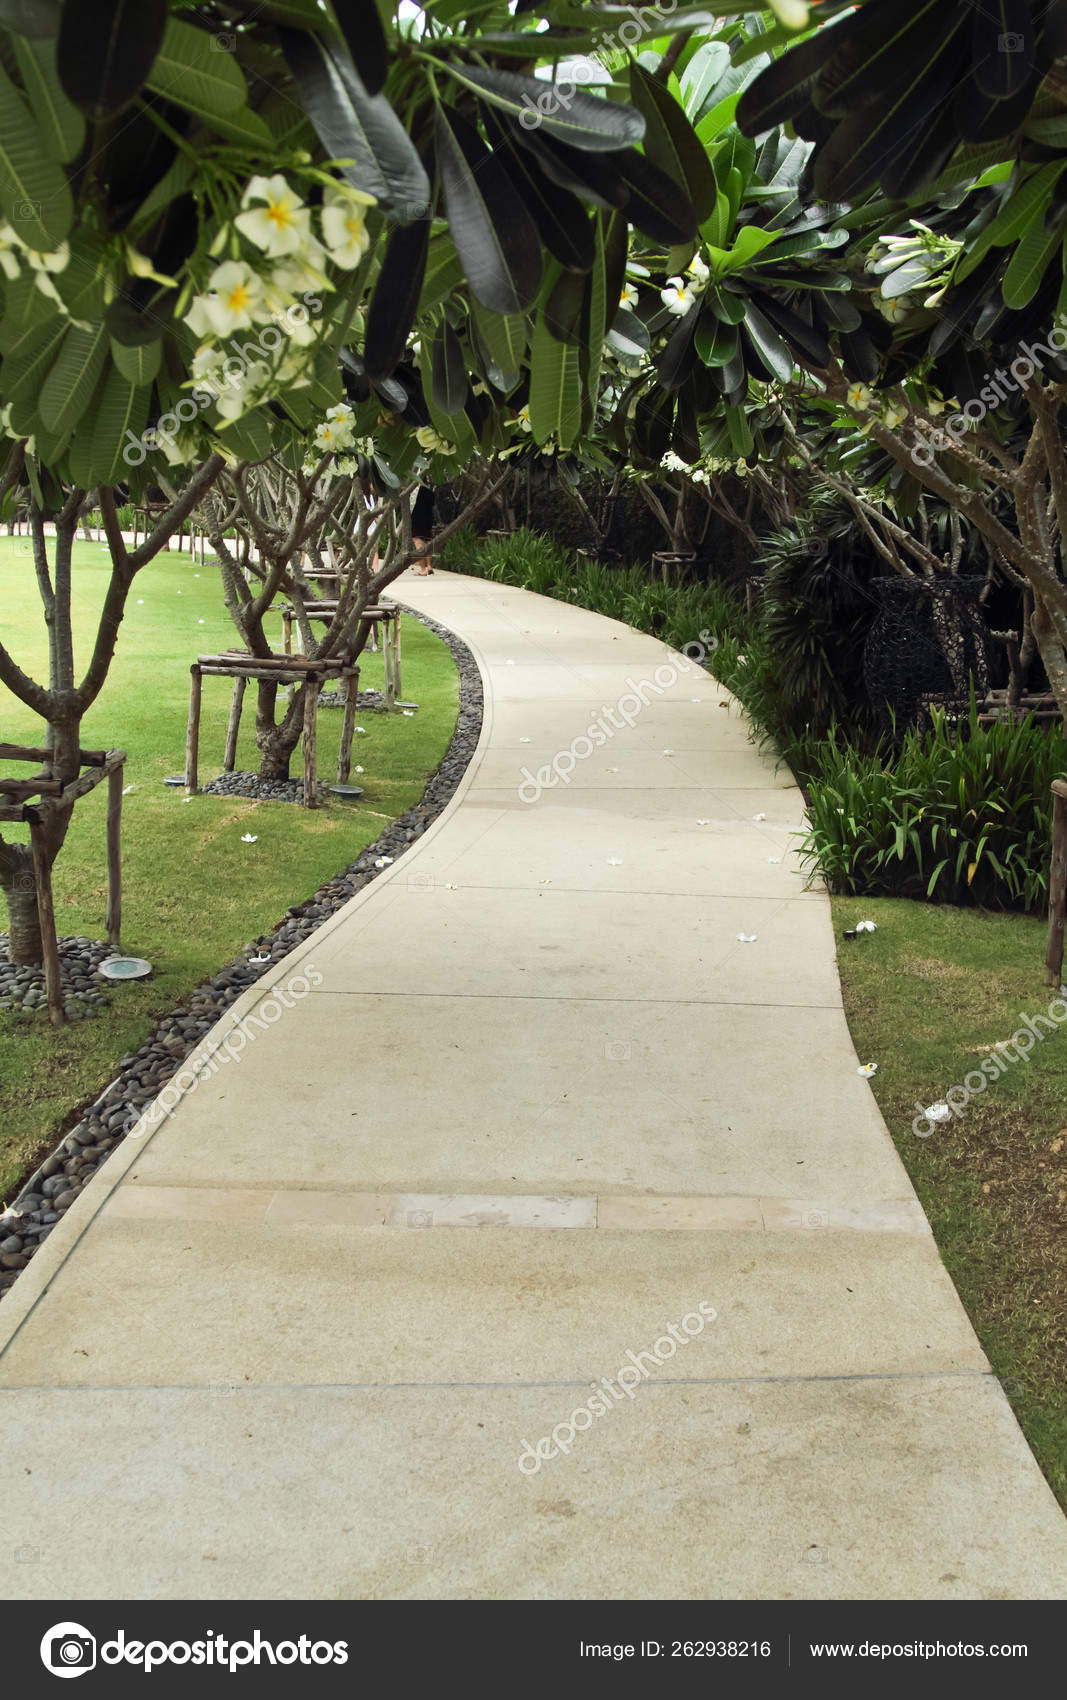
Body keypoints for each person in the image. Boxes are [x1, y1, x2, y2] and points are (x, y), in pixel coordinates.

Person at [411, 483, 435, 575]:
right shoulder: (430, 492)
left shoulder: (415, 491)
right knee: (426, 542)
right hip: (429, 519)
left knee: (418, 541)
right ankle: (429, 566)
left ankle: (423, 569)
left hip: (417, 518)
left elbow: (411, 504)